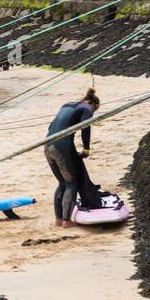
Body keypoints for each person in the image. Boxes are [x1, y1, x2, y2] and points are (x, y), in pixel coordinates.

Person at [44, 88, 99, 228]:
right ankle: (67, 221)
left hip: (47, 144)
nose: (93, 113)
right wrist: (86, 148)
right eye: (95, 110)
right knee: (71, 183)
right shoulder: (86, 108)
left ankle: (58, 220)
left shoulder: (66, 105)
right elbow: (85, 127)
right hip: (62, 146)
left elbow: (51, 125)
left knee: (62, 183)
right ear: (91, 102)